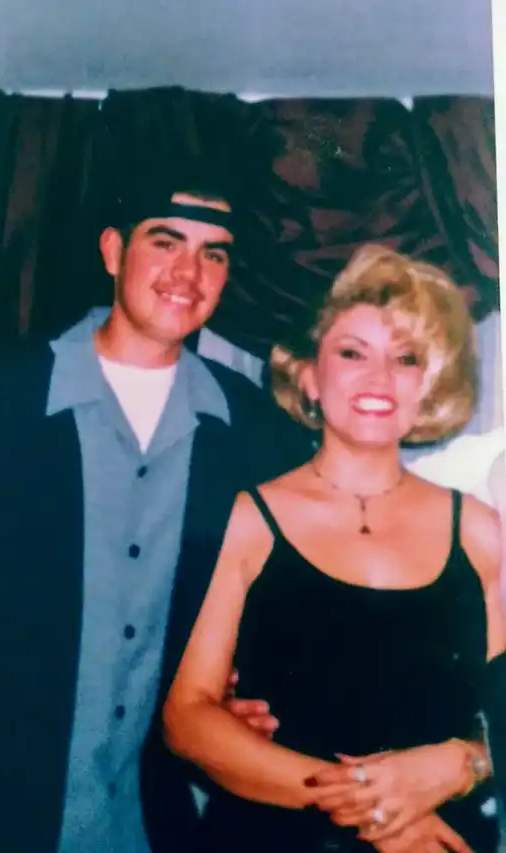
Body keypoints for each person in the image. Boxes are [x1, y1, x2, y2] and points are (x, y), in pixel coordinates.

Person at [0, 166, 314, 853]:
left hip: (149, 825)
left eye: (214, 254)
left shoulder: (254, 434)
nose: (188, 273)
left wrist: (243, 696)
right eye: (164, 241)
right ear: (113, 251)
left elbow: (284, 615)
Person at [164, 244, 505, 853]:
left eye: (405, 358)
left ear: (429, 385)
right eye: (352, 353)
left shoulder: (480, 531)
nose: (379, 377)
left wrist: (466, 763)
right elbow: (188, 717)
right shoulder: (248, 518)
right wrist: (373, 805)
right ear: (309, 375)